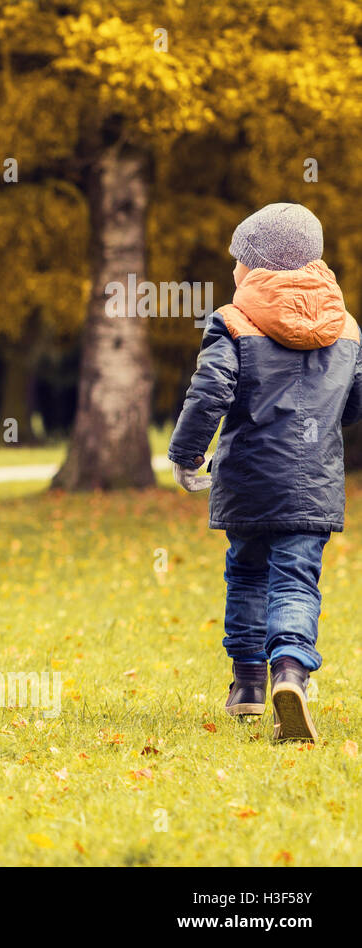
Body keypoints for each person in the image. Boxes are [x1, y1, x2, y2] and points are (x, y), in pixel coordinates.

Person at [169, 202, 362, 743]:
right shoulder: (345, 327)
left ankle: (249, 684)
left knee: (248, 574)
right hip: (314, 484)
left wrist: (186, 455)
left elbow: (210, 394)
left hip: (249, 482)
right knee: (296, 580)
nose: (234, 270)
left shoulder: (233, 321)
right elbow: (352, 404)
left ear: (257, 267)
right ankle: (292, 674)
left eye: (238, 260)